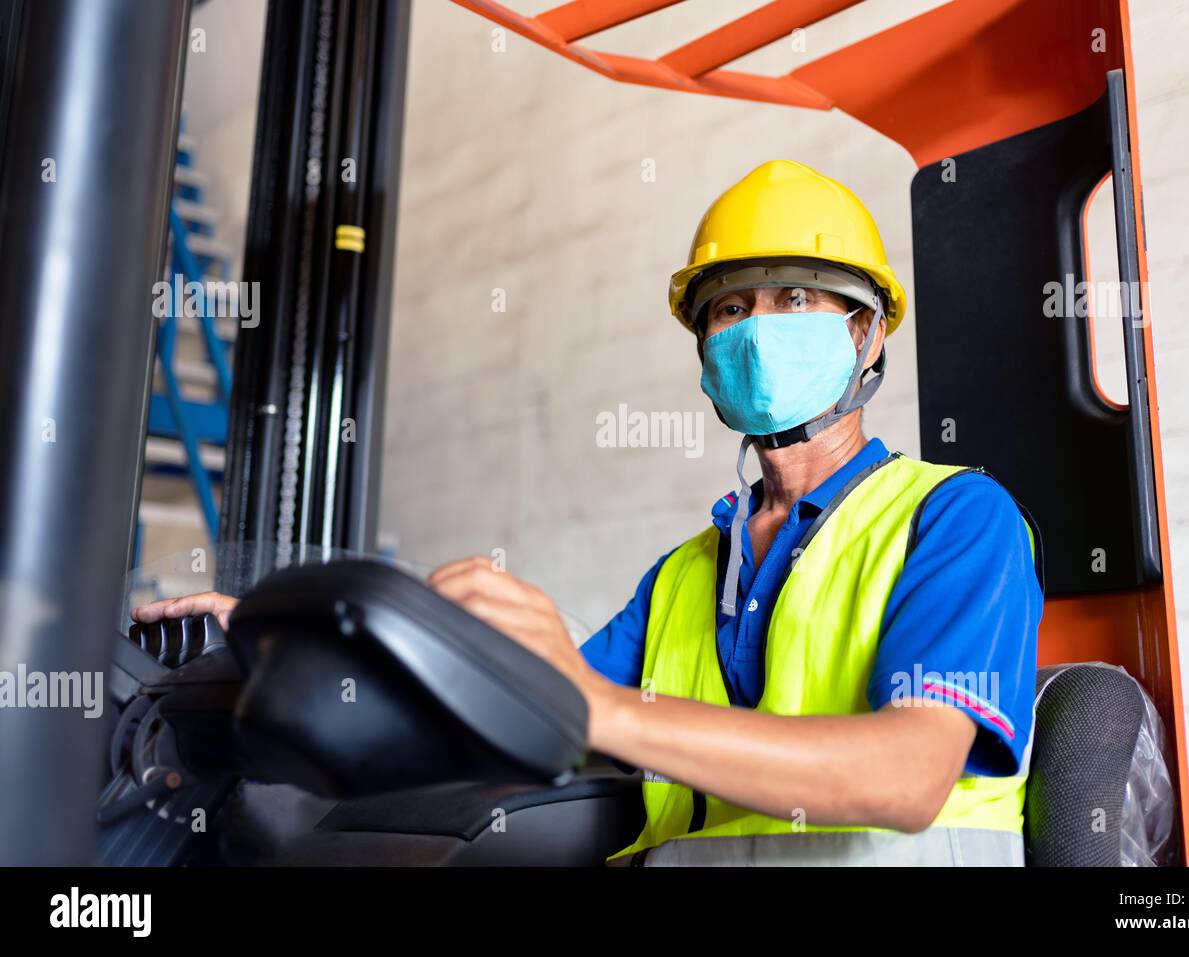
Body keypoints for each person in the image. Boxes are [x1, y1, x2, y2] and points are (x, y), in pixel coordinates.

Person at [134, 160, 1043, 866]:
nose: (759, 328)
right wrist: (306, 645)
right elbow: (529, 711)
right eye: (731, 306)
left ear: (867, 332)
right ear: (703, 350)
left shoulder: (957, 517)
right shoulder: (690, 573)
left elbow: (911, 772)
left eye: (796, 297)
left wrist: (598, 703)